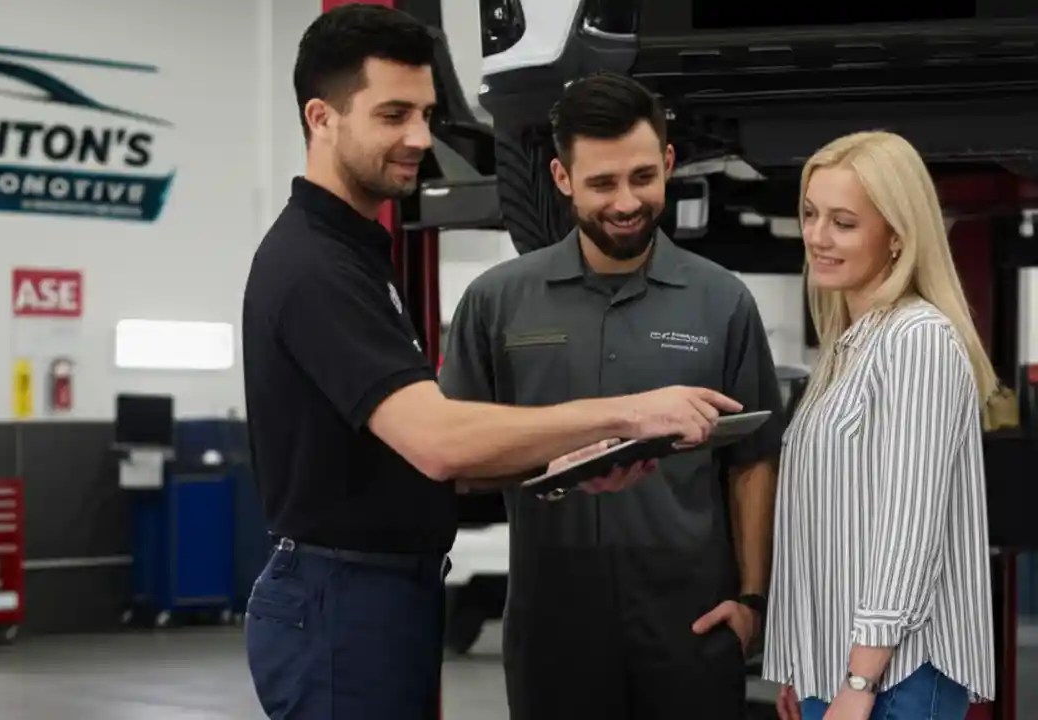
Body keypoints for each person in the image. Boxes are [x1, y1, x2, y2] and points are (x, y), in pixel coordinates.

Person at [239, 6, 743, 720]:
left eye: (425, 113)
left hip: (375, 595)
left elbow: (442, 461)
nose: (419, 137)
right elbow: (440, 443)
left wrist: (575, 457)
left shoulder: (353, 253)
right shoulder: (314, 268)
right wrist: (630, 411)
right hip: (341, 601)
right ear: (321, 118)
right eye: (392, 115)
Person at [439, 71, 786, 720]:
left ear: (669, 163)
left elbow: (753, 459)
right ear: (563, 178)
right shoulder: (498, 301)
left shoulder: (722, 300)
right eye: (601, 183)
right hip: (552, 628)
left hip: (695, 625)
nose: (626, 202)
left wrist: (752, 601)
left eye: (642, 177)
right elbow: (455, 453)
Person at [762, 131, 997, 720]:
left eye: (844, 223)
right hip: (840, 666)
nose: (817, 237)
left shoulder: (916, 340)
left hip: (896, 675)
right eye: (811, 215)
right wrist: (805, 663)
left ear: (897, 235)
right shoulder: (848, 347)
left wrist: (860, 682)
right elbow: (823, 523)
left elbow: (908, 528)